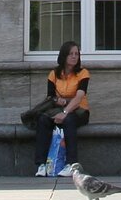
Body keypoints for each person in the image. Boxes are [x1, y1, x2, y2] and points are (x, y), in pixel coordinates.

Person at [31, 41, 91, 174]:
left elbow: (79, 96)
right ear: (64, 56)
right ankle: (41, 165)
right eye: (71, 54)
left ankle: (71, 164)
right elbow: (50, 96)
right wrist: (58, 100)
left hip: (79, 111)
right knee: (42, 120)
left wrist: (65, 112)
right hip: (58, 109)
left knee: (69, 121)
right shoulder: (53, 74)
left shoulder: (83, 73)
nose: (74, 57)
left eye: (76, 54)